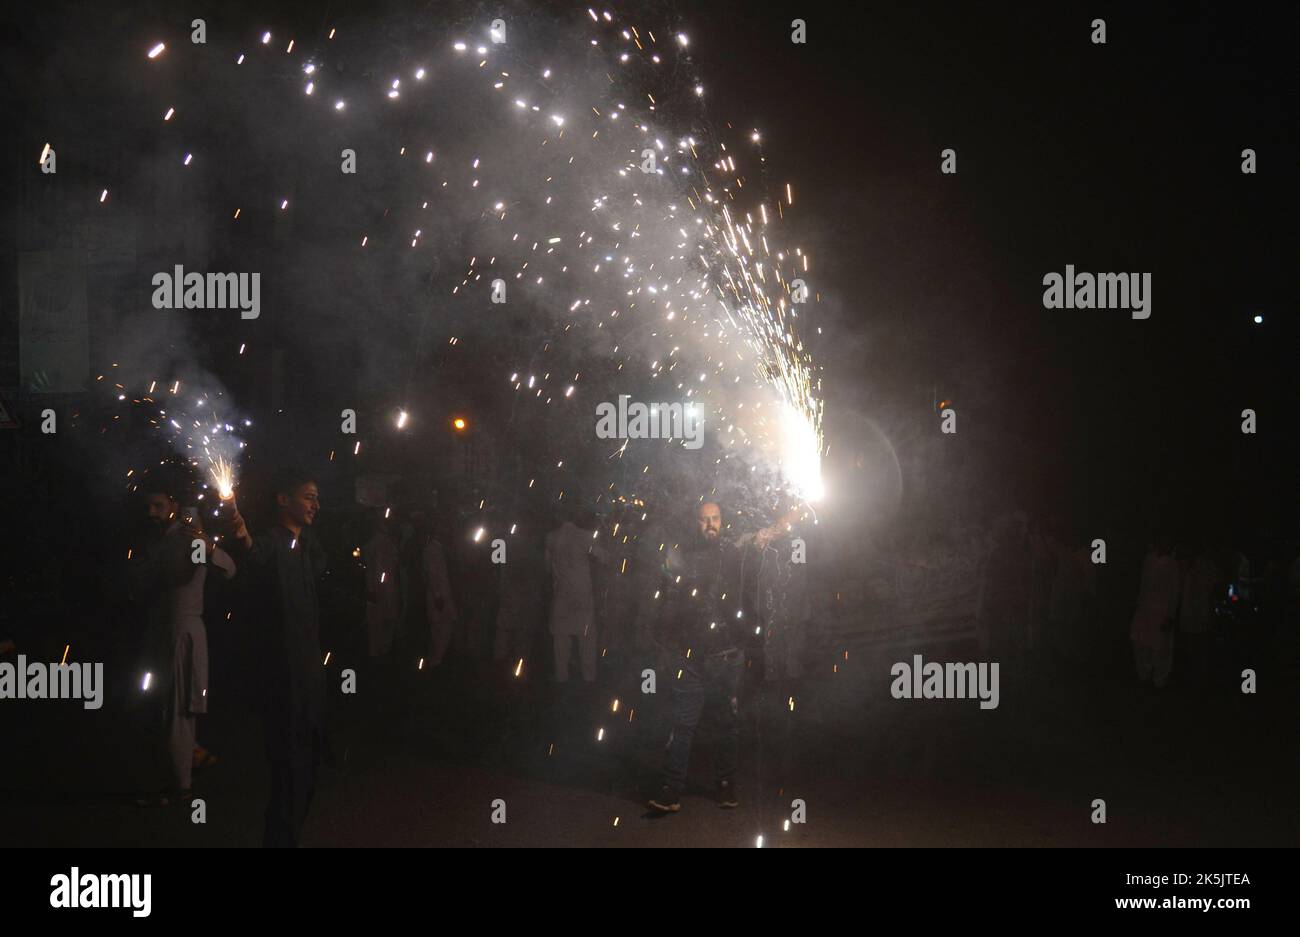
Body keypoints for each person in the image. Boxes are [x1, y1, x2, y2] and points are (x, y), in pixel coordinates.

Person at [648, 501, 773, 813]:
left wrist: (758, 545)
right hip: (690, 656)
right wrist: (665, 643)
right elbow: (670, 599)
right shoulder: (683, 556)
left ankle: (726, 786)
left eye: (715, 518)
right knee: (682, 724)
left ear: (722, 520)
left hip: (726, 655)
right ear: (696, 523)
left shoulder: (732, 553)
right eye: (704, 520)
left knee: (725, 724)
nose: (710, 524)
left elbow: (750, 570)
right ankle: (671, 789)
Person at [227, 467, 327, 847]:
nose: (315, 504)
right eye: (308, 495)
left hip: (309, 681)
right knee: (288, 773)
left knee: (308, 771)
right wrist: (237, 526)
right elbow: (250, 549)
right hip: (283, 682)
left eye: (317, 497)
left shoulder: (307, 547)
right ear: (283, 499)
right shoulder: (271, 541)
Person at [130, 485, 236, 806]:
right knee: (171, 707)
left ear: (173, 505)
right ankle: (190, 760)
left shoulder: (186, 538)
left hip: (183, 631)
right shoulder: (164, 540)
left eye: (158, 505)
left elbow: (227, 568)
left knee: (178, 710)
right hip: (168, 631)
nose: (152, 513)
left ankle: (181, 788)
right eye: (148, 506)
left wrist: (204, 545)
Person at [544, 508, 607, 683]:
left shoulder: (551, 537)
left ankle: (561, 676)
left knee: (561, 640)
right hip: (582, 595)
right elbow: (603, 557)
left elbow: (547, 567)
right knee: (586, 638)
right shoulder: (585, 536)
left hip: (562, 595)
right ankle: (589, 677)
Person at [1130, 533, 1180, 689]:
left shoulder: (1173, 565)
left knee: (1161, 648)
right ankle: (1144, 675)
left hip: (1162, 612)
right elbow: (1143, 584)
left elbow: (1175, 591)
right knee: (1141, 642)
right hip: (1145, 610)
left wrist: (1170, 615)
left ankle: (1160, 680)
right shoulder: (1149, 559)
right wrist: (1139, 604)